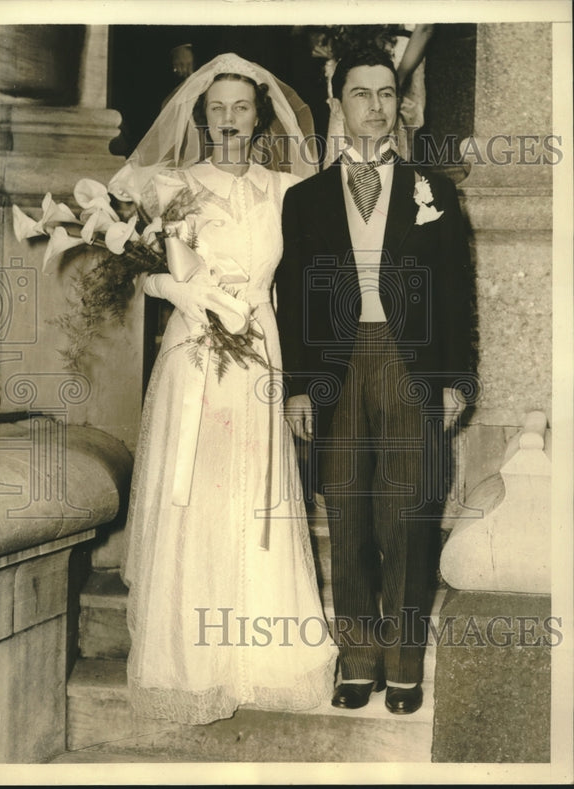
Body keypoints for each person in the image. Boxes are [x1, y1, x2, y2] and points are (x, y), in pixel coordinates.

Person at [109, 53, 336, 726]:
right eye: (218, 109)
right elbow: (133, 270)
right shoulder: (172, 183)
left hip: (260, 352)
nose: (230, 120)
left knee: (253, 493)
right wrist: (180, 289)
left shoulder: (288, 189)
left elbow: (304, 278)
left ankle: (261, 657)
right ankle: (188, 661)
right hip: (195, 352)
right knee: (196, 491)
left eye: (242, 107)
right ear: (202, 117)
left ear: (259, 114)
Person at [275, 48, 473, 715]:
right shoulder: (304, 200)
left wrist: (453, 380)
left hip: (409, 362)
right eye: (361, 94)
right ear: (338, 103)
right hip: (336, 368)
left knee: (410, 515)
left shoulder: (433, 191)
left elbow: (455, 293)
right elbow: (297, 302)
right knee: (349, 512)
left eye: (387, 93)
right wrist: (300, 386)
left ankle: (405, 661)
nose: (376, 107)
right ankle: (357, 657)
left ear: (399, 103)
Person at [322, 24, 435, 166]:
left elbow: (425, 28)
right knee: (345, 126)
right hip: (352, 48)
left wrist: (397, 78)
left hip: (399, 54)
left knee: (385, 128)